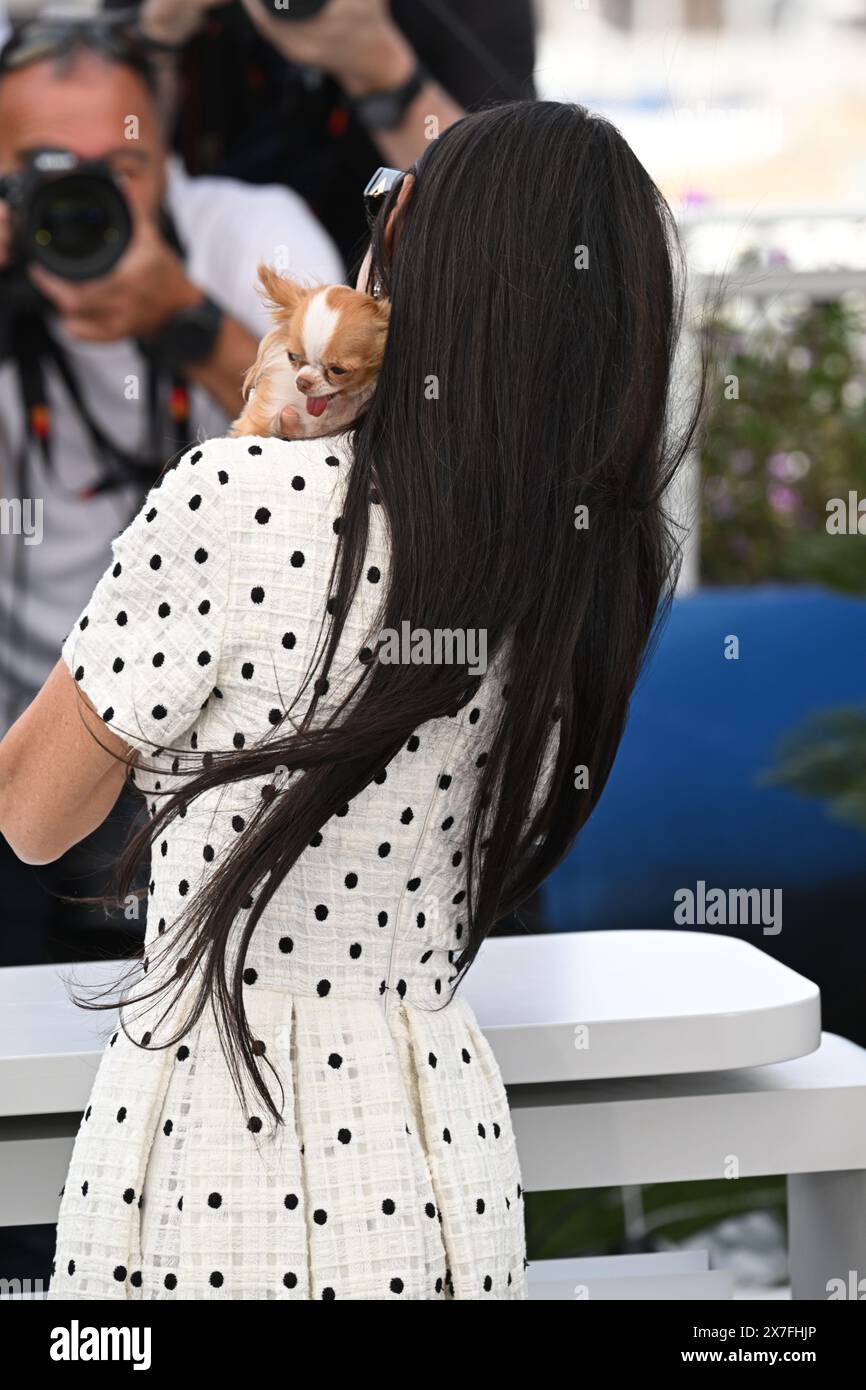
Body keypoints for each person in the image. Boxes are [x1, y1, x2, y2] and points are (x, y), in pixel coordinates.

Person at [0, 101, 702, 1300]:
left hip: (212, 1143)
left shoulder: (238, 496)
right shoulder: (594, 555)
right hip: (443, 1153)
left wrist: (232, 455)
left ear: (421, 258)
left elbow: (34, 813)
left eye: (388, 199)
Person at [0, 17, 342, 967]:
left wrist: (188, 321)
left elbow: (359, 438)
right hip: (17, 757)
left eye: (123, 164)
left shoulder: (248, 233)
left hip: (231, 770)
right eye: (49, 165)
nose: (87, 197)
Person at [127, 0, 537, 265]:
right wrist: (160, 39)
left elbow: (512, 221)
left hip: (397, 314)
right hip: (198, 281)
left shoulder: (471, 14)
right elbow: (116, 168)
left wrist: (380, 67)